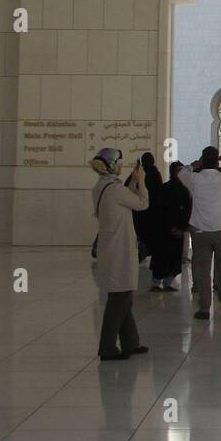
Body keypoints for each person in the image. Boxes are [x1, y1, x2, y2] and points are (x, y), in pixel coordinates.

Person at [90, 147, 149, 361]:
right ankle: (107, 346)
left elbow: (126, 199)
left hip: (111, 247)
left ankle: (130, 342)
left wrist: (133, 181)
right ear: (113, 165)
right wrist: (141, 181)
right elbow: (142, 204)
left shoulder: (101, 187)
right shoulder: (114, 189)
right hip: (119, 250)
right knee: (120, 297)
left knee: (122, 295)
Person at [180, 143, 221, 320]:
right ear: (217, 162)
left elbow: (181, 173)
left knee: (202, 270)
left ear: (202, 161)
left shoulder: (195, 179)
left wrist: (194, 165)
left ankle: (204, 309)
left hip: (199, 230)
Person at [149, 159, 191, 292]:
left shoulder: (185, 190)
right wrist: (171, 227)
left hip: (178, 231)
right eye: (178, 171)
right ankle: (155, 283)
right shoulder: (165, 188)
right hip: (164, 231)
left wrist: (182, 228)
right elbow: (160, 210)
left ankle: (168, 282)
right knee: (162, 256)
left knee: (174, 257)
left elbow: (188, 210)